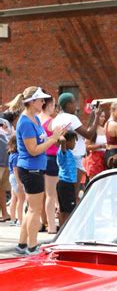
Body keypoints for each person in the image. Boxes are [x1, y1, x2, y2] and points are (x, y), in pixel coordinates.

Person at [6, 87, 66, 255]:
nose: (43, 102)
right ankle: (32, 246)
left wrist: (54, 136)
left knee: (32, 209)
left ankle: (23, 244)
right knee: (34, 209)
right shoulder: (25, 122)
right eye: (40, 100)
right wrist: (53, 139)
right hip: (31, 169)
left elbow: (41, 140)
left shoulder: (35, 119)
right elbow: (33, 150)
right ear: (32, 102)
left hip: (35, 168)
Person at [52, 93, 101, 199]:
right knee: (73, 194)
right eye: (74, 102)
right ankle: (71, 215)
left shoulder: (56, 119)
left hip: (64, 156)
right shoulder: (72, 118)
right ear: (69, 104)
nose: (76, 106)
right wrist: (97, 117)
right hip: (74, 158)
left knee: (68, 194)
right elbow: (89, 134)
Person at [38, 93, 59, 233]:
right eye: (54, 105)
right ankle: (51, 226)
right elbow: (58, 140)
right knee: (51, 194)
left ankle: (43, 222)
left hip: (39, 157)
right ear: (49, 105)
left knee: (42, 194)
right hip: (50, 158)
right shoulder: (51, 121)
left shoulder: (35, 119)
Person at [56, 131, 78, 226]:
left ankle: (62, 229)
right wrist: (60, 133)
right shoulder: (62, 152)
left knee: (64, 209)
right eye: (73, 141)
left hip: (67, 183)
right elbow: (63, 140)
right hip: (65, 184)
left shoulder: (69, 152)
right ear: (67, 142)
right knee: (69, 210)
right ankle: (66, 229)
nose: (75, 144)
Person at [7, 135, 25, 226]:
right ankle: (20, 220)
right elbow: (15, 169)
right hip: (16, 177)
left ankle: (13, 219)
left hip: (12, 177)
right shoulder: (17, 155)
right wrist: (19, 182)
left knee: (14, 198)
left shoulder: (11, 154)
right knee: (21, 199)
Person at [84, 110, 107, 179]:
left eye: (104, 117)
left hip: (105, 158)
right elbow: (86, 146)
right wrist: (100, 146)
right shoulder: (91, 130)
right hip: (95, 160)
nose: (103, 118)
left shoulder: (104, 129)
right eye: (101, 116)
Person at [0, 121, 11, 222]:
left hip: (5, 161)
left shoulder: (3, 122)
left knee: (2, 189)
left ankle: (4, 213)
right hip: (3, 160)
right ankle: (4, 213)